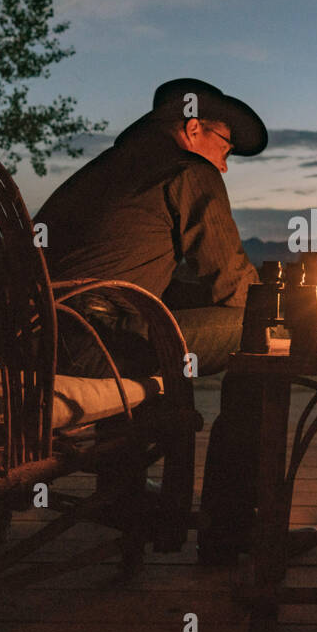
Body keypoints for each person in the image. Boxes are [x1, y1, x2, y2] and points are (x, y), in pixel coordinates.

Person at [33, 78, 267, 563]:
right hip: (92, 348)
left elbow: (122, 267)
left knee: (155, 325)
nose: (225, 163)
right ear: (194, 129)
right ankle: (230, 523)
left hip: (34, 341)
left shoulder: (103, 172)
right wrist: (294, 313)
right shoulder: (188, 171)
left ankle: (124, 490)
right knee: (256, 333)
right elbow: (231, 285)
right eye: (225, 147)